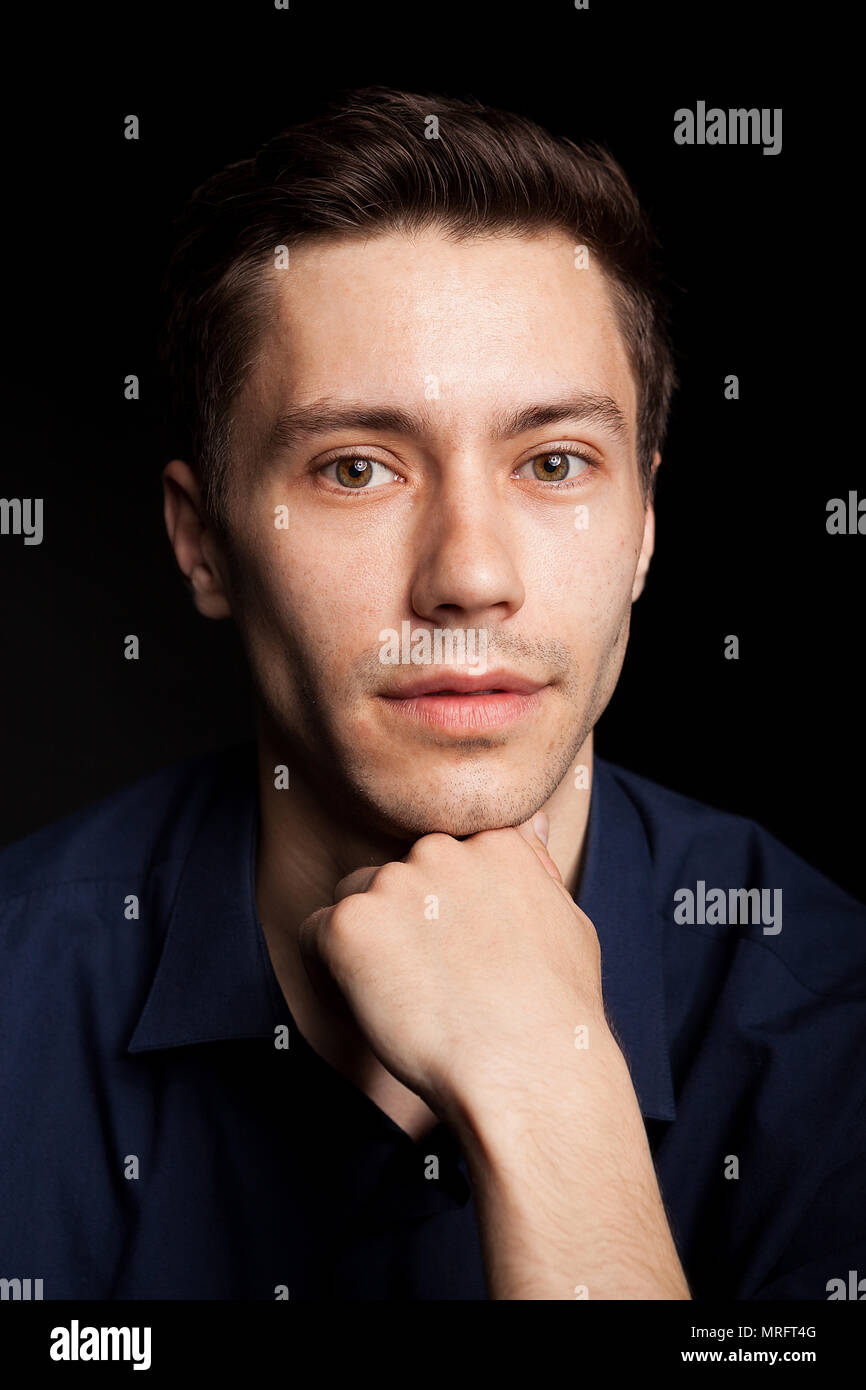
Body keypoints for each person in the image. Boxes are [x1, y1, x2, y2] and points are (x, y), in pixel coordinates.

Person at [1, 87, 863, 1302]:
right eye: (357, 468)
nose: (467, 574)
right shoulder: (15, 994)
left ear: (644, 527)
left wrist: (549, 1100)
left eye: (553, 462)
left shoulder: (832, 1023)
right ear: (202, 544)